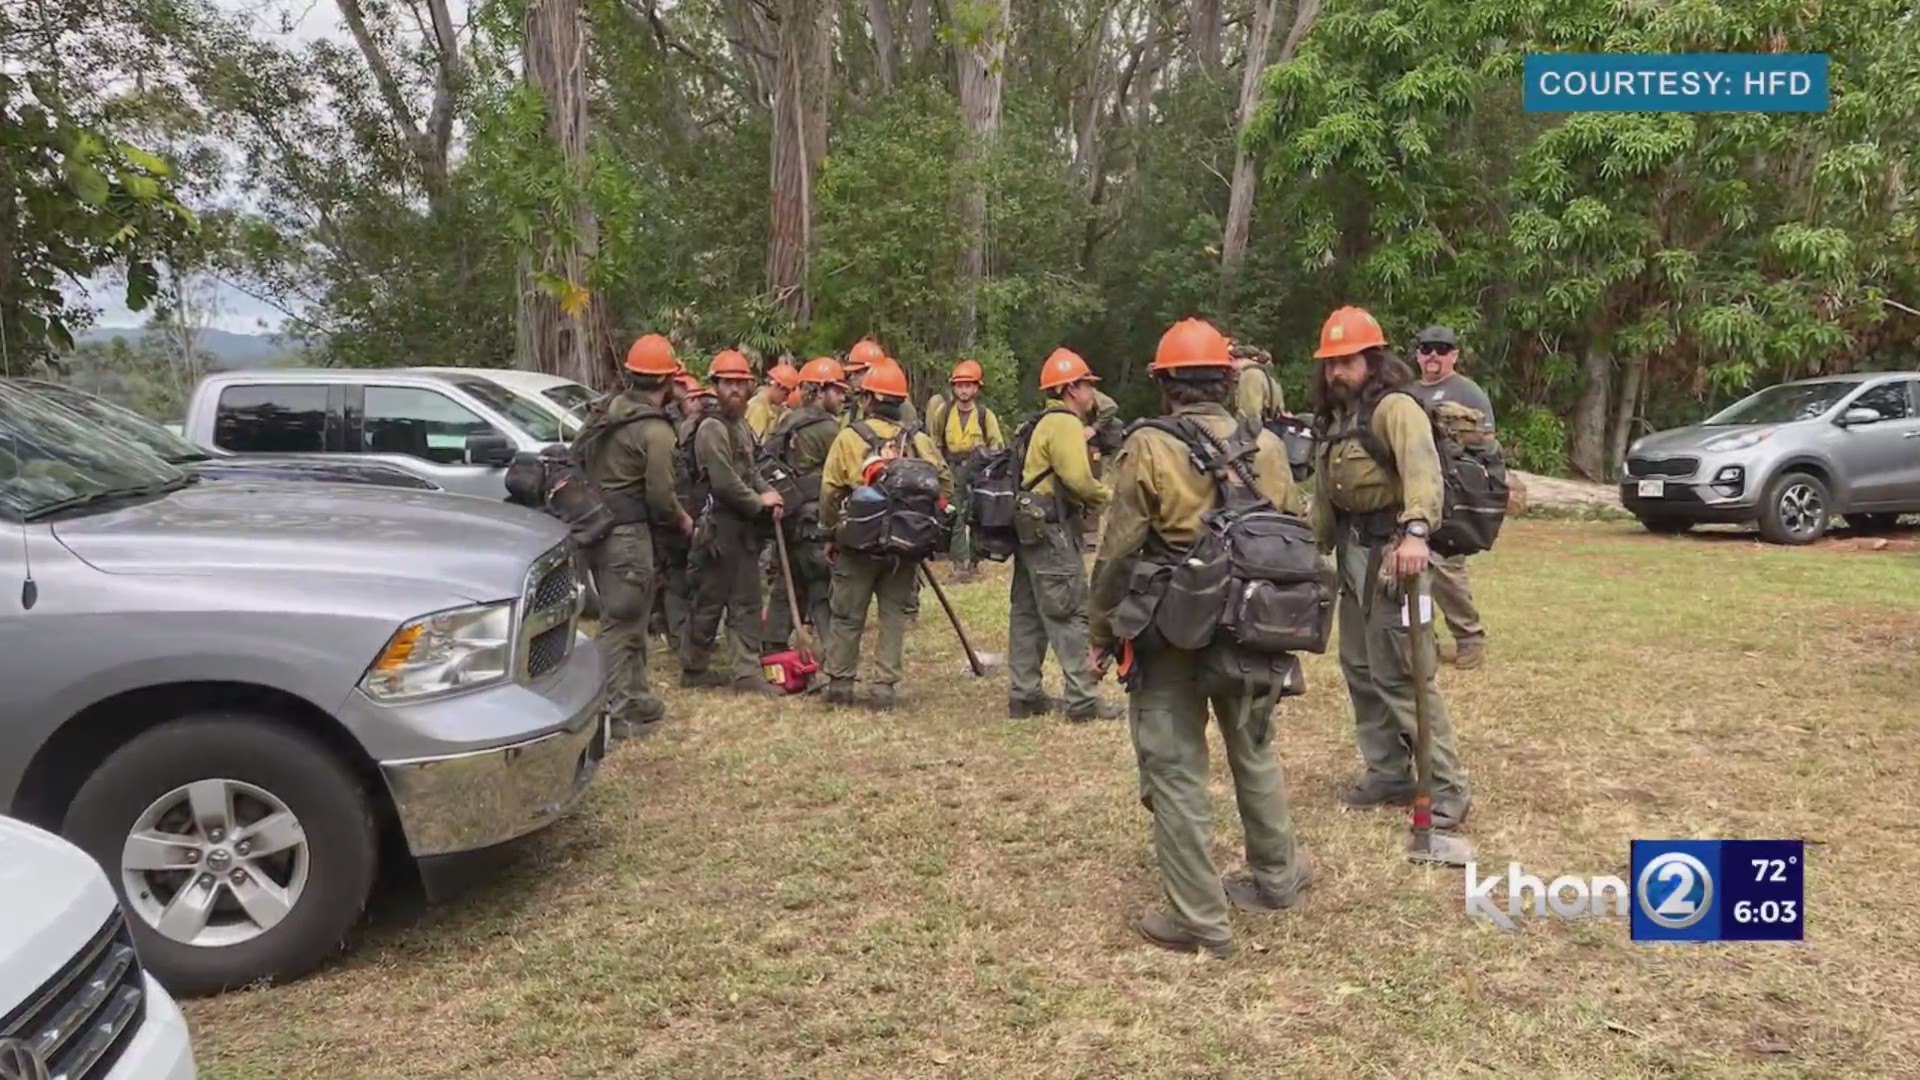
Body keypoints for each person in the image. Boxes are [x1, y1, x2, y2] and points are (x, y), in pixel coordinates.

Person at [1088, 316, 1313, 957]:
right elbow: (1291, 528)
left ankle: (1200, 921)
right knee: (1255, 752)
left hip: (1172, 632)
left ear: (1166, 385)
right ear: (1226, 380)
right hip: (1252, 624)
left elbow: (1119, 551)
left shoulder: (1147, 445)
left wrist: (1101, 629)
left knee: (1175, 769)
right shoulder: (1266, 446)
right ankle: (1278, 879)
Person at [1310, 306, 1472, 829]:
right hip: (1351, 556)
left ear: (1372, 360)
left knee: (1404, 674)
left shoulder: (1395, 408)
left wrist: (1417, 531)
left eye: (1347, 361)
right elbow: (1325, 493)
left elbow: (1423, 471)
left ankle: (1446, 788)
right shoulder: (1336, 418)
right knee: (1360, 669)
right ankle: (1388, 773)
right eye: (1330, 363)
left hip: (1394, 557)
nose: (1337, 372)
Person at [818, 360, 951, 711]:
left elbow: (830, 492)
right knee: (893, 616)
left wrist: (830, 532)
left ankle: (840, 683)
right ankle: (883, 688)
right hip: (905, 546)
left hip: (857, 542)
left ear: (869, 399)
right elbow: (946, 483)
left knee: (847, 614)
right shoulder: (919, 441)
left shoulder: (849, 438)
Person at [583, 334, 694, 739]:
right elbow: (661, 496)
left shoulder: (608, 410)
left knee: (633, 618)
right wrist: (683, 520)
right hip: (627, 536)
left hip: (599, 527)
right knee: (621, 622)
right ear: (667, 380)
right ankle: (612, 713)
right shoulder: (655, 430)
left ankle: (634, 695)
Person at [1007, 348, 1121, 722]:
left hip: (1030, 527)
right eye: (1087, 385)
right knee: (1069, 611)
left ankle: (1024, 694)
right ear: (1071, 388)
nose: (1092, 393)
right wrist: (1110, 498)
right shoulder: (1066, 424)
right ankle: (1082, 700)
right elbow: (1078, 480)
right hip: (1051, 530)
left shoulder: (1041, 422)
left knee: (1027, 612)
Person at [681, 349, 785, 694]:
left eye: (741, 383)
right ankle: (694, 667)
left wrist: (771, 495)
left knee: (747, 599)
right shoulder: (711, 428)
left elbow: (751, 471)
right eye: (728, 383)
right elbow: (724, 482)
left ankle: (746, 672)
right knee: (709, 600)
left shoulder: (740, 426)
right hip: (717, 527)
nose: (736, 389)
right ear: (716, 386)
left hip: (743, 526)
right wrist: (759, 503)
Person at [1405, 324, 1494, 669]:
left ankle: (1469, 638)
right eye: (1426, 348)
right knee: (1412, 572)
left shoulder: (1467, 392)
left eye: (1441, 349)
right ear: (1417, 355)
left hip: (1452, 492)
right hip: (1414, 489)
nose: (1433, 355)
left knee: (1446, 568)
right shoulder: (1409, 392)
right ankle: (1424, 643)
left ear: (1454, 355)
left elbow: (1488, 444)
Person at [760, 356, 847, 652]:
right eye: (837, 390)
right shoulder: (828, 430)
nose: (842, 397)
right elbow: (842, 475)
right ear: (820, 391)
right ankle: (833, 653)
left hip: (789, 518)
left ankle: (773, 645)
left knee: (789, 584)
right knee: (821, 584)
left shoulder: (789, 420)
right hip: (813, 521)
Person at [925, 358, 1004, 584]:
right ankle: (959, 565)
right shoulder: (943, 412)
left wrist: (991, 470)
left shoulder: (985, 415)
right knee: (956, 516)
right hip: (951, 469)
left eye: (968, 385)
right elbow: (934, 442)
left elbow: (997, 444)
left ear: (976, 388)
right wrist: (936, 467)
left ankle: (975, 563)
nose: (963, 390)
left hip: (978, 470)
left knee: (977, 516)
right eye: (959, 385)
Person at [1231, 340, 1287, 426]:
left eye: (1234, 359)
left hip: (1256, 429)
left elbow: (1250, 415)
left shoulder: (1250, 375)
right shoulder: (1267, 377)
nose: (1231, 364)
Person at [748, 361, 799, 441]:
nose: (786, 398)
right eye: (786, 393)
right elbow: (754, 443)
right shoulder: (759, 408)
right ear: (777, 386)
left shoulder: (769, 407)